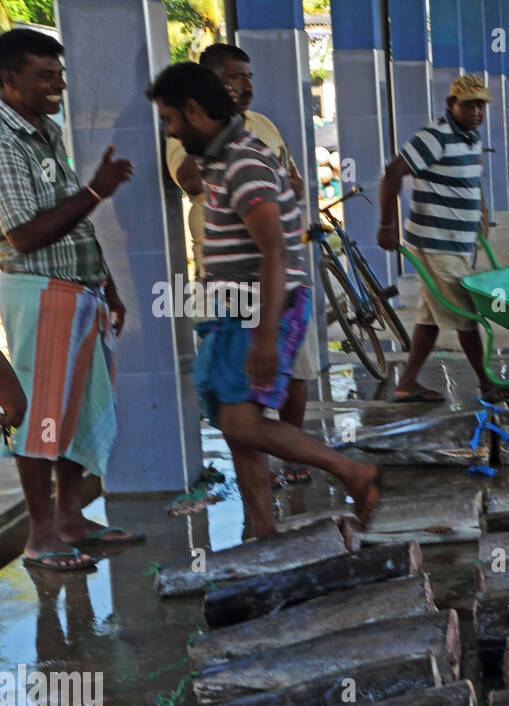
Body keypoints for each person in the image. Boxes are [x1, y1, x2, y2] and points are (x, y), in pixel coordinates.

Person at [147, 62, 379, 536]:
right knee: (236, 425)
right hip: (229, 307)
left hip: (256, 309)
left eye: (170, 119)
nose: (168, 129)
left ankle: (353, 471)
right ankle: (262, 532)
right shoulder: (220, 156)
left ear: (194, 110)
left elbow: (274, 251)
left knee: (241, 423)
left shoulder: (244, 162)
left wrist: (267, 337)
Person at [0, 28, 143, 571]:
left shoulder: (43, 129)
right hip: (38, 290)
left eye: (60, 72)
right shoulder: (3, 137)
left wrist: (104, 279)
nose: (59, 83)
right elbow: (24, 234)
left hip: (75, 289)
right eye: (45, 75)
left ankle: (71, 519)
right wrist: (96, 191)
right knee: (41, 417)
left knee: (73, 413)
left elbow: (68, 220)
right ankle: (41, 535)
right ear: (7, 80)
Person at [166, 44, 317, 485]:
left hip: (274, 284)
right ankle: (264, 503)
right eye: (236, 77)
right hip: (226, 288)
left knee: (291, 374)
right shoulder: (192, 136)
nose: (246, 86)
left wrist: (278, 181)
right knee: (236, 404)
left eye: (249, 76)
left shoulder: (259, 131)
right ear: (212, 83)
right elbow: (189, 178)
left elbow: (292, 185)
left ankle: (305, 459)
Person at [377, 74, 505, 404]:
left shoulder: (470, 137)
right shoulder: (435, 136)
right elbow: (393, 173)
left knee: (430, 317)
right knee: (467, 314)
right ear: (451, 104)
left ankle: (407, 383)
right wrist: (386, 225)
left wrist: (477, 219)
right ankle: (487, 383)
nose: (477, 111)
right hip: (436, 242)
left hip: (456, 241)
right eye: (470, 104)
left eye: (481, 105)